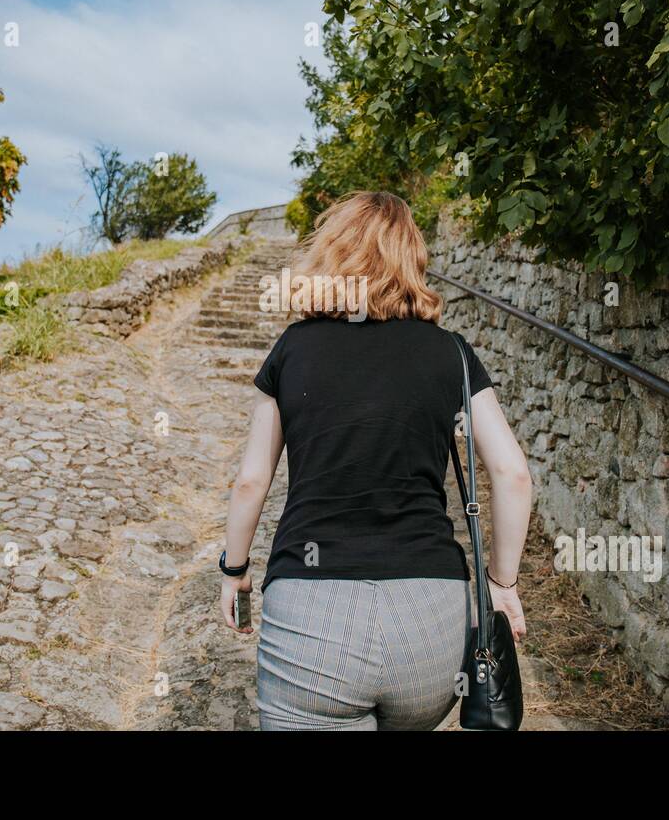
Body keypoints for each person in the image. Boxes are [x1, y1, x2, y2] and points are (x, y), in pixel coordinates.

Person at [219, 191, 534, 731]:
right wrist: (501, 586)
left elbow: (252, 481)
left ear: (331, 253)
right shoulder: (452, 352)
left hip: (312, 622)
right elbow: (512, 473)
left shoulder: (292, 349)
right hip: (431, 623)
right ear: (412, 258)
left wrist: (235, 570)